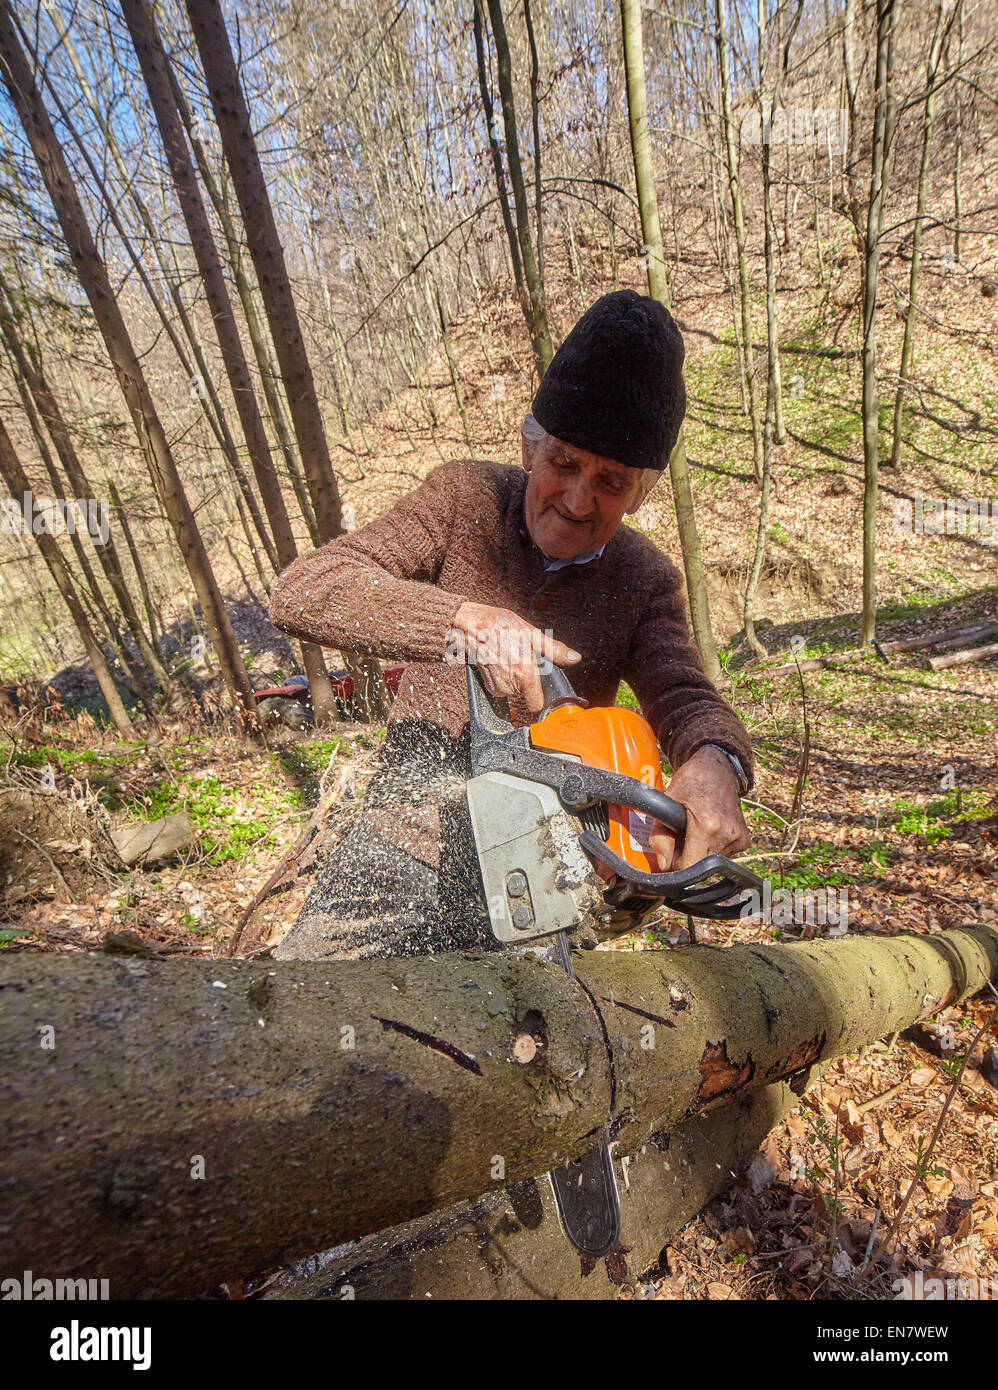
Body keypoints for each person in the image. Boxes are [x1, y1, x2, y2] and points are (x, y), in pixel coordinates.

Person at [269, 289, 753, 961]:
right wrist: (465, 623)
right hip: (400, 844)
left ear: (640, 491)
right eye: (563, 463)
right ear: (532, 448)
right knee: (307, 1010)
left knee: (516, 1050)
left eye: (611, 482)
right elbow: (305, 589)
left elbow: (684, 694)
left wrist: (715, 761)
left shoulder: (644, 579)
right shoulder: (463, 499)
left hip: (540, 871)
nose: (578, 498)